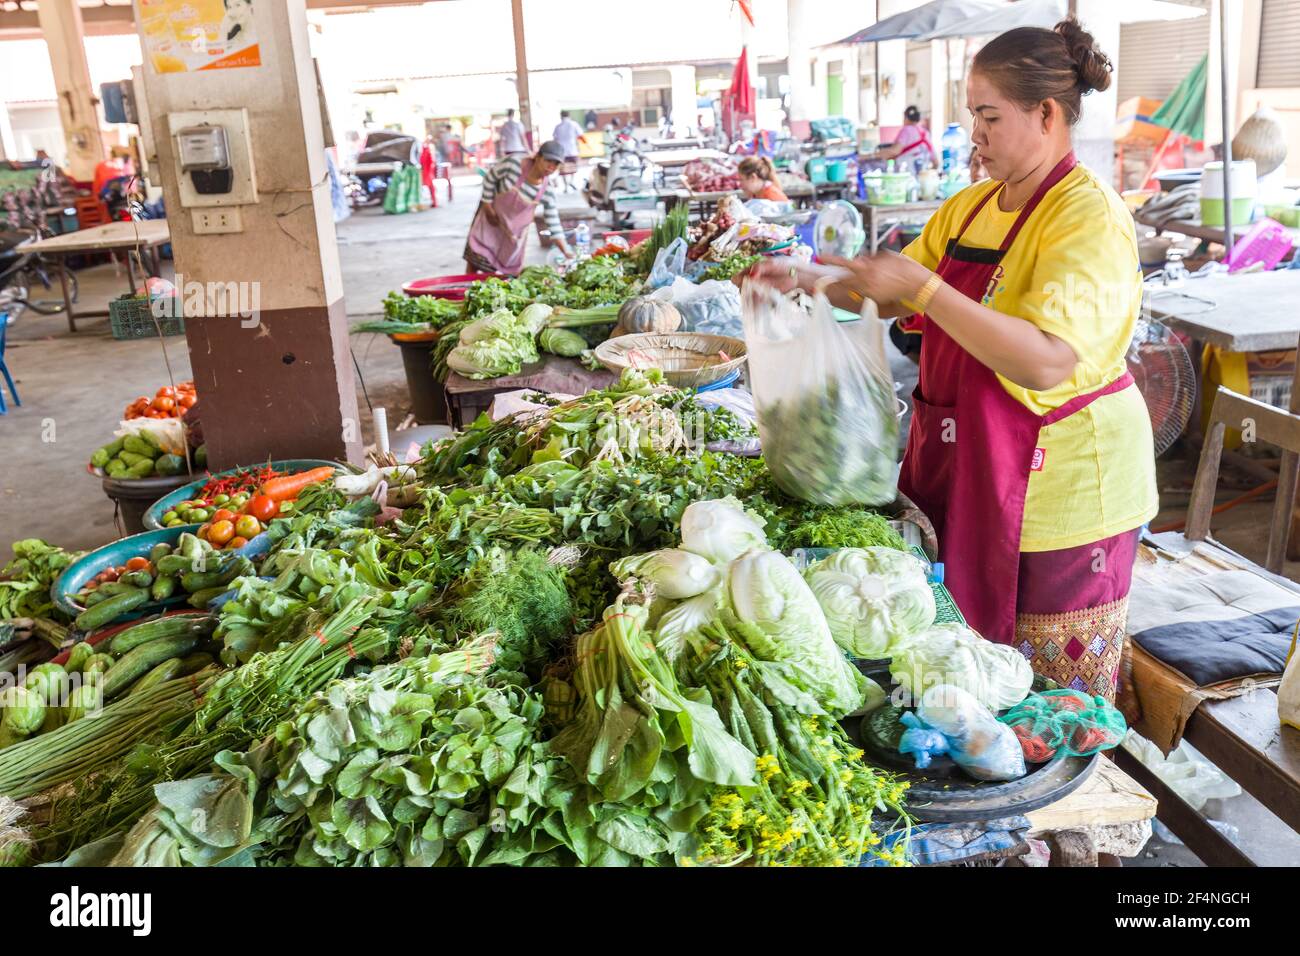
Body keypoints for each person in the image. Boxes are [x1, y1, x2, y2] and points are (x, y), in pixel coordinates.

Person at [749, 18, 1156, 701]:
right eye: (973, 116)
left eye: (990, 117)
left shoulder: (1088, 218)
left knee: (1053, 711)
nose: (976, 136)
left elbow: (1048, 362)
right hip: (970, 475)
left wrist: (928, 293)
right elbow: (885, 285)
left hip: (1066, 498)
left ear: (1047, 114)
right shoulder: (969, 210)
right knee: (967, 680)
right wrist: (804, 279)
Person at [464, 140, 573, 274]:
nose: (551, 166)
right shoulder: (514, 164)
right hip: (490, 221)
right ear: (538, 157)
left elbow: (553, 223)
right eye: (548, 161)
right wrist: (487, 205)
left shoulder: (547, 191)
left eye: (556, 164)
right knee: (474, 261)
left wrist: (567, 251)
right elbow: (490, 178)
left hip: (512, 235)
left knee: (493, 274)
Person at [869, 106, 938, 169]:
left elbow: (894, 152)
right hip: (922, 174)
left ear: (906, 118)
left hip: (904, 173)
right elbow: (936, 162)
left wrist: (870, 156)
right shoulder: (926, 133)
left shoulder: (907, 130)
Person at [552, 112, 586, 192]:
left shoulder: (558, 126)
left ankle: (566, 186)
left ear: (561, 116)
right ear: (569, 116)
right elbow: (580, 135)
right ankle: (571, 181)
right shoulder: (574, 124)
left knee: (563, 169)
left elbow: (555, 139)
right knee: (572, 167)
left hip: (561, 152)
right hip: (572, 150)